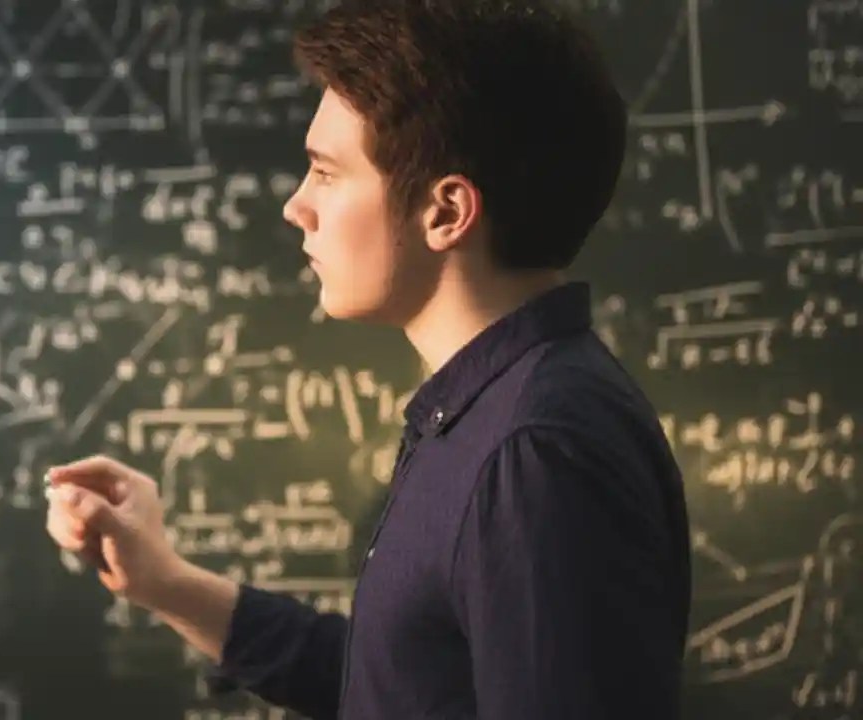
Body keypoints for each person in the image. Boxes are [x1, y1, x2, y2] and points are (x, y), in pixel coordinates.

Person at [44, 0, 692, 717]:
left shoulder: (531, 453)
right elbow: (398, 686)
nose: (297, 205)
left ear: (446, 212)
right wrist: (163, 580)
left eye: (326, 171)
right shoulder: (486, 413)